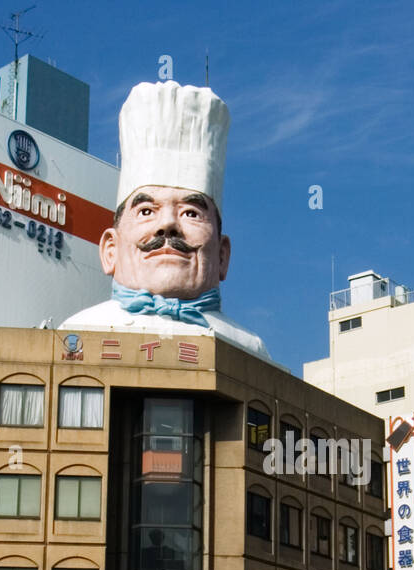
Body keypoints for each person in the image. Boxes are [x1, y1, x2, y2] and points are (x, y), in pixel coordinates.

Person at [62, 81, 273, 363]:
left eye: (191, 213)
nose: (168, 224)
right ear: (110, 249)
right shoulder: (75, 335)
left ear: (223, 256)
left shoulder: (248, 350)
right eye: (147, 211)